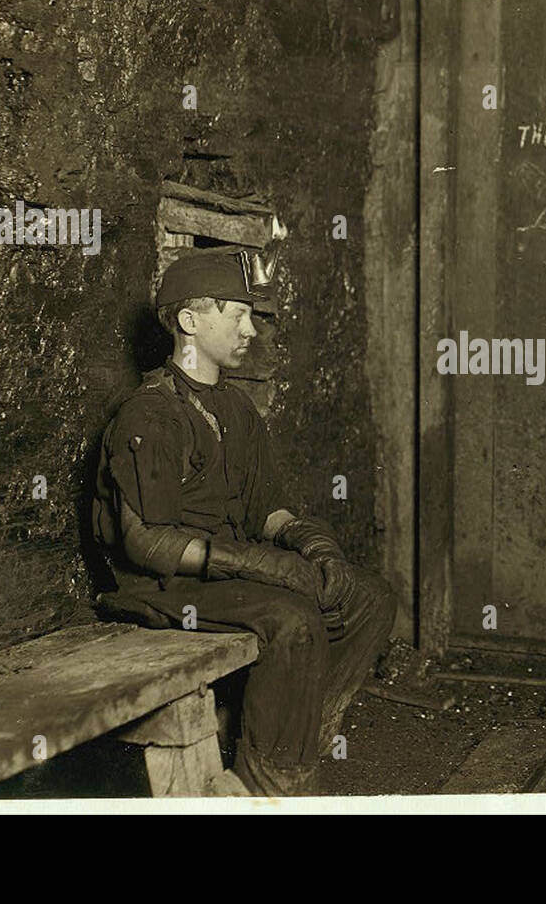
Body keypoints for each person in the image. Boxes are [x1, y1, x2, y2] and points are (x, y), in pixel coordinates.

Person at [91, 247, 396, 795]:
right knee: (293, 620)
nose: (250, 329)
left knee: (369, 598)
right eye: (237, 313)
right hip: (162, 585)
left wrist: (313, 544)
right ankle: (265, 786)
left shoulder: (236, 410)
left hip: (223, 576)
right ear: (190, 321)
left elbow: (265, 511)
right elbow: (144, 542)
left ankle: (295, 741)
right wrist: (257, 562)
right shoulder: (150, 413)